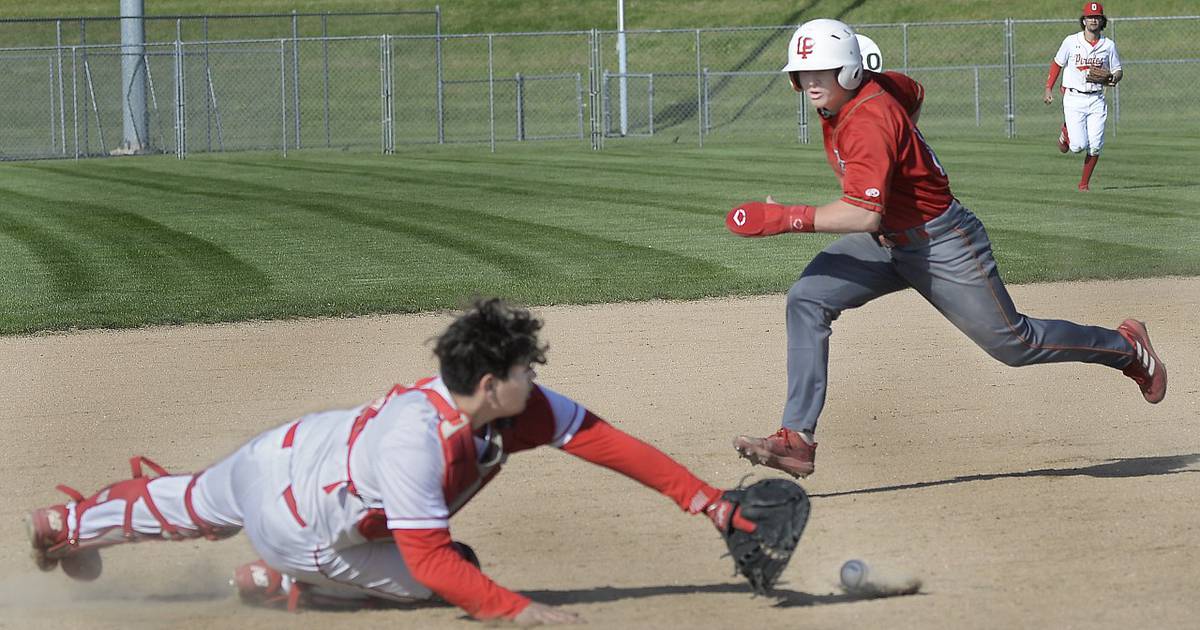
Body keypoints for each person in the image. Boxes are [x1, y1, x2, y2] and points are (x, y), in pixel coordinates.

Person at [26, 298, 754, 626]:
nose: (537, 375)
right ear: (490, 384)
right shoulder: (419, 444)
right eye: (525, 367)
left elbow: (603, 439)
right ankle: (291, 584)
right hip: (298, 526)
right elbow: (433, 558)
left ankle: (72, 524)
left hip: (287, 448)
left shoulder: (501, 403)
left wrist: (706, 499)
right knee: (452, 572)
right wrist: (518, 609)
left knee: (189, 501)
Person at [723, 18, 1165, 479]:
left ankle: (1127, 348)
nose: (810, 83)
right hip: (889, 241)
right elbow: (914, 91)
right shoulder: (869, 91)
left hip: (942, 241)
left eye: (823, 71)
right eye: (803, 73)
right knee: (808, 299)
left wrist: (784, 218)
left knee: (1015, 344)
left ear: (850, 70)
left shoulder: (867, 121)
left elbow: (862, 214)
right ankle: (797, 439)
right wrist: (905, 153)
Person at [1043, 2, 1123, 191]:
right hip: (1073, 97)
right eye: (1089, 17)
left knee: (1095, 146)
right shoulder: (1071, 41)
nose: (1093, 20)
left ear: (1102, 21)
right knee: (1078, 146)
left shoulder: (1108, 45)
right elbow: (1057, 64)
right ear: (1084, 20)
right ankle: (1066, 132)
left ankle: (1083, 184)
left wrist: (1113, 78)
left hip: (1096, 99)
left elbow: (1118, 70)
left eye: (1097, 17)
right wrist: (1048, 88)